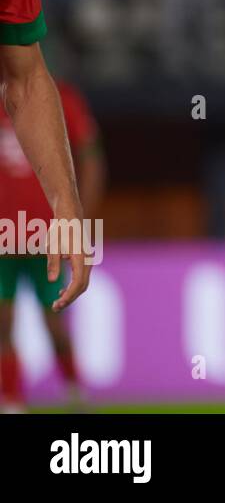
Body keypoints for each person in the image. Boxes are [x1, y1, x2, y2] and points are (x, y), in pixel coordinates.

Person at [0, 0, 94, 410]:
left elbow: (27, 79)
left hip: (27, 234)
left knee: (44, 323)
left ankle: (70, 396)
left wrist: (68, 205)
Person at [0, 68, 105, 412]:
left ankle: (75, 391)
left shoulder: (59, 99)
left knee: (53, 321)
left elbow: (92, 159)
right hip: (3, 238)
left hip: (45, 236)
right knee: (3, 321)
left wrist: (79, 220)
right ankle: (12, 401)